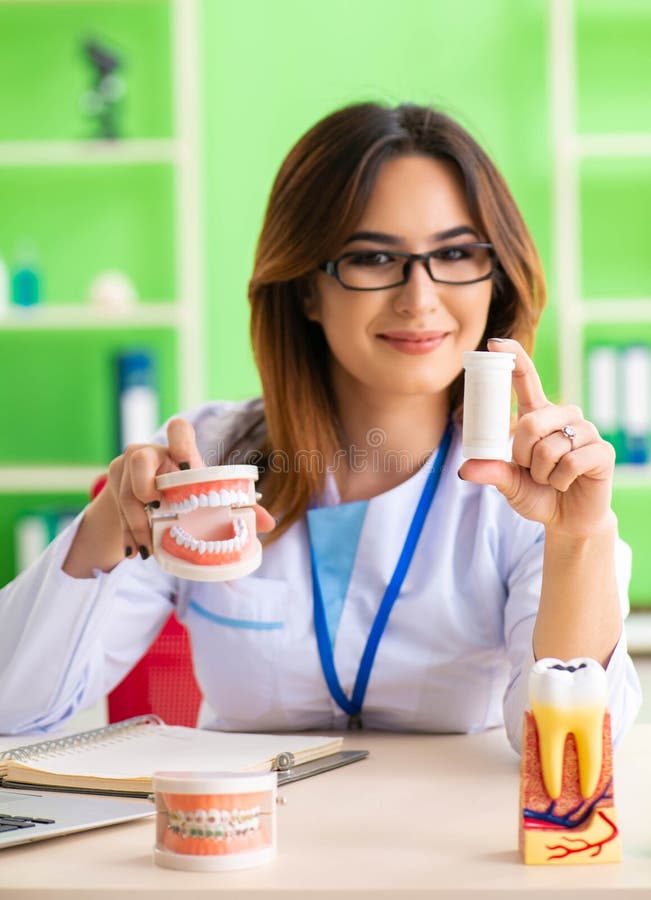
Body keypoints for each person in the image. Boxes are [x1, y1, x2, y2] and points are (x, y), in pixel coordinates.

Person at [0, 102, 641, 746]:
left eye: (456, 253)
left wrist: (577, 540)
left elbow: (574, 757)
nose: (420, 298)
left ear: (494, 279)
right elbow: (12, 712)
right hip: (245, 837)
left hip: (450, 844)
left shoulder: (535, 490)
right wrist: (111, 523)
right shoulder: (209, 463)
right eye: (372, 259)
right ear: (307, 288)